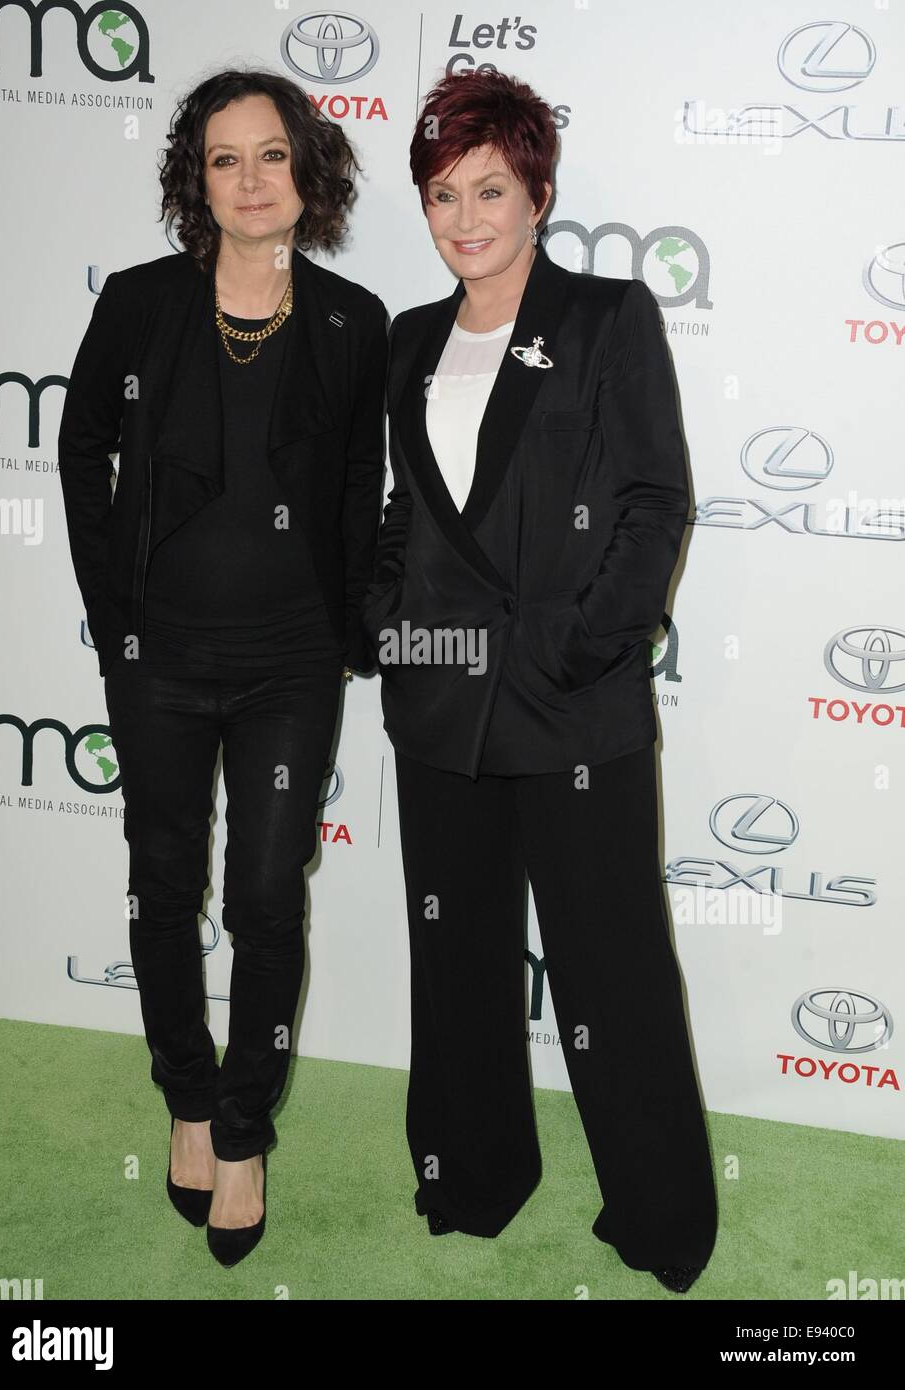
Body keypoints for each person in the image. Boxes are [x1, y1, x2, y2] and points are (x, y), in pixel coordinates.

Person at [362, 69, 717, 1293]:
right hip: (440, 701)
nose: (465, 219)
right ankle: (471, 1174)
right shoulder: (410, 339)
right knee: (453, 958)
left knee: (609, 966)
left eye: (490, 190)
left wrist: (574, 647)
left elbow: (652, 502)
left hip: (571, 705)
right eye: (442, 194)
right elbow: (408, 520)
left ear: (537, 191)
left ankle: (661, 1219)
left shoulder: (607, 318)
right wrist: (386, 630)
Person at [58, 68, 387, 1267]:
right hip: (157, 657)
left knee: (260, 896)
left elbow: (359, 486)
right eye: (222, 159)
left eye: (269, 154)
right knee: (160, 881)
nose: (250, 180)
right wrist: (113, 613)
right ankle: (186, 1106)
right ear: (195, 182)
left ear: (308, 169)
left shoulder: (355, 322)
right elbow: (82, 446)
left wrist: (355, 627)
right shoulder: (141, 306)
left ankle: (244, 1133)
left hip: (291, 661)